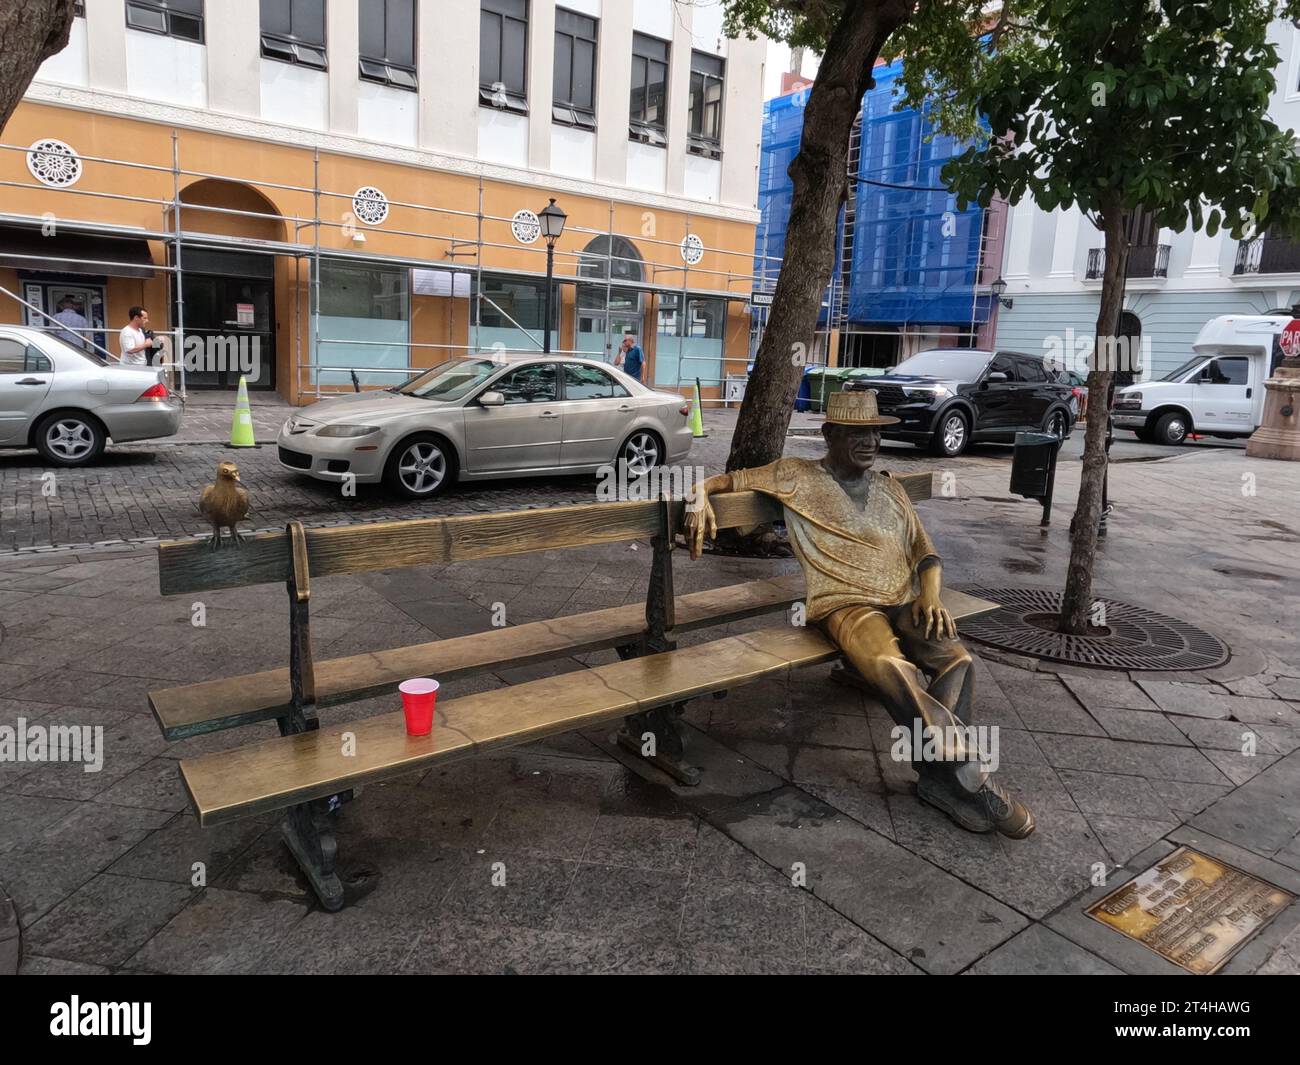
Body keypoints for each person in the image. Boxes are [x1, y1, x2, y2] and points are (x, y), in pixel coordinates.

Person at [683, 389, 1035, 838]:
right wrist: (697, 497)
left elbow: (924, 551)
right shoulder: (796, 475)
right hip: (845, 602)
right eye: (856, 433)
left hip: (905, 598)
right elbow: (726, 481)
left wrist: (930, 595)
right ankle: (966, 775)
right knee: (891, 665)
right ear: (830, 434)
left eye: (873, 432)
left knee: (958, 660)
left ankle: (938, 777)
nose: (869, 441)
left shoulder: (889, 486)